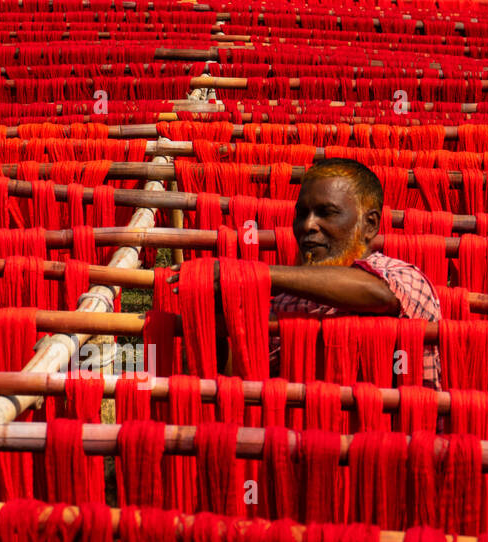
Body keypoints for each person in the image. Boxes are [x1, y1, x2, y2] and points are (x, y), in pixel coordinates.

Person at [168, 157, 443, 388]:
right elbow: (240, 378)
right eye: (302, 214)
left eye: (327, 213)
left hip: (391, 447)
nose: (308, 225)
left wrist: (253, 275)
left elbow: (379, 293)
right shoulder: (287, 302)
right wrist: (217, 318)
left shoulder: (402, 276)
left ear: (369, 225)